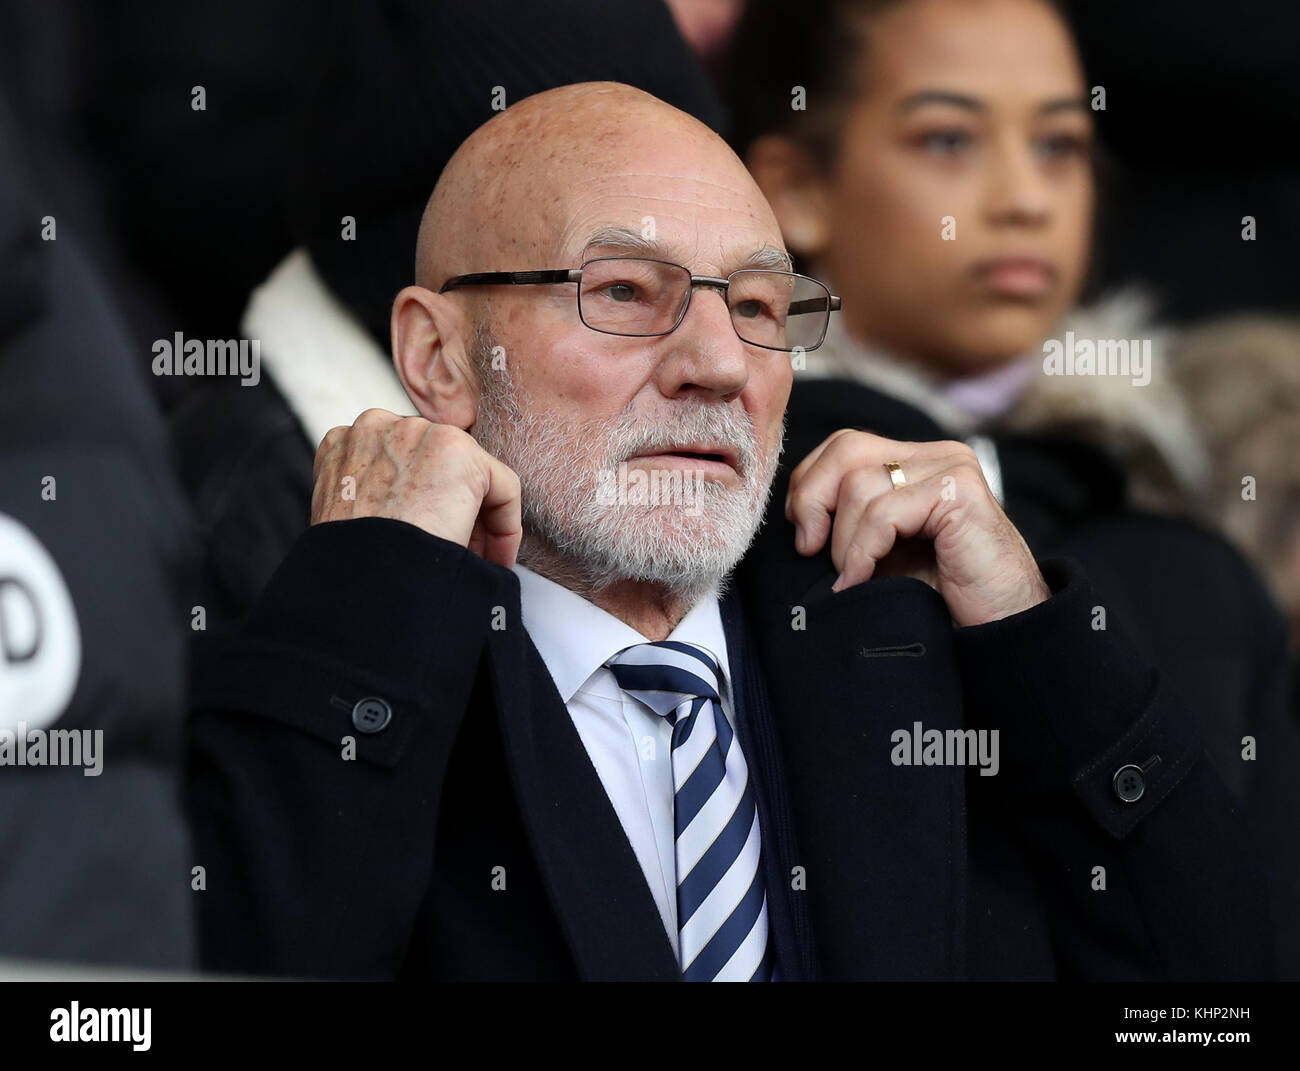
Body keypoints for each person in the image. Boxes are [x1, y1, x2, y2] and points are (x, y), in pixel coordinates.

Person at [186, 82, 1273, 981]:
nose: (717, 365)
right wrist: (368, 595)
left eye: (757, 308)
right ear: (438, 360)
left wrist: (1036, 648)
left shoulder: (912, 642)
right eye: (621, 291)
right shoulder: (337, 644)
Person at [727, 0, 1300, 975]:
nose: (1025, 198)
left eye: (1060, 144)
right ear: (794, 186)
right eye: (947, 138)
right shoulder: (731, 501)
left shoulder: (1221, 483)